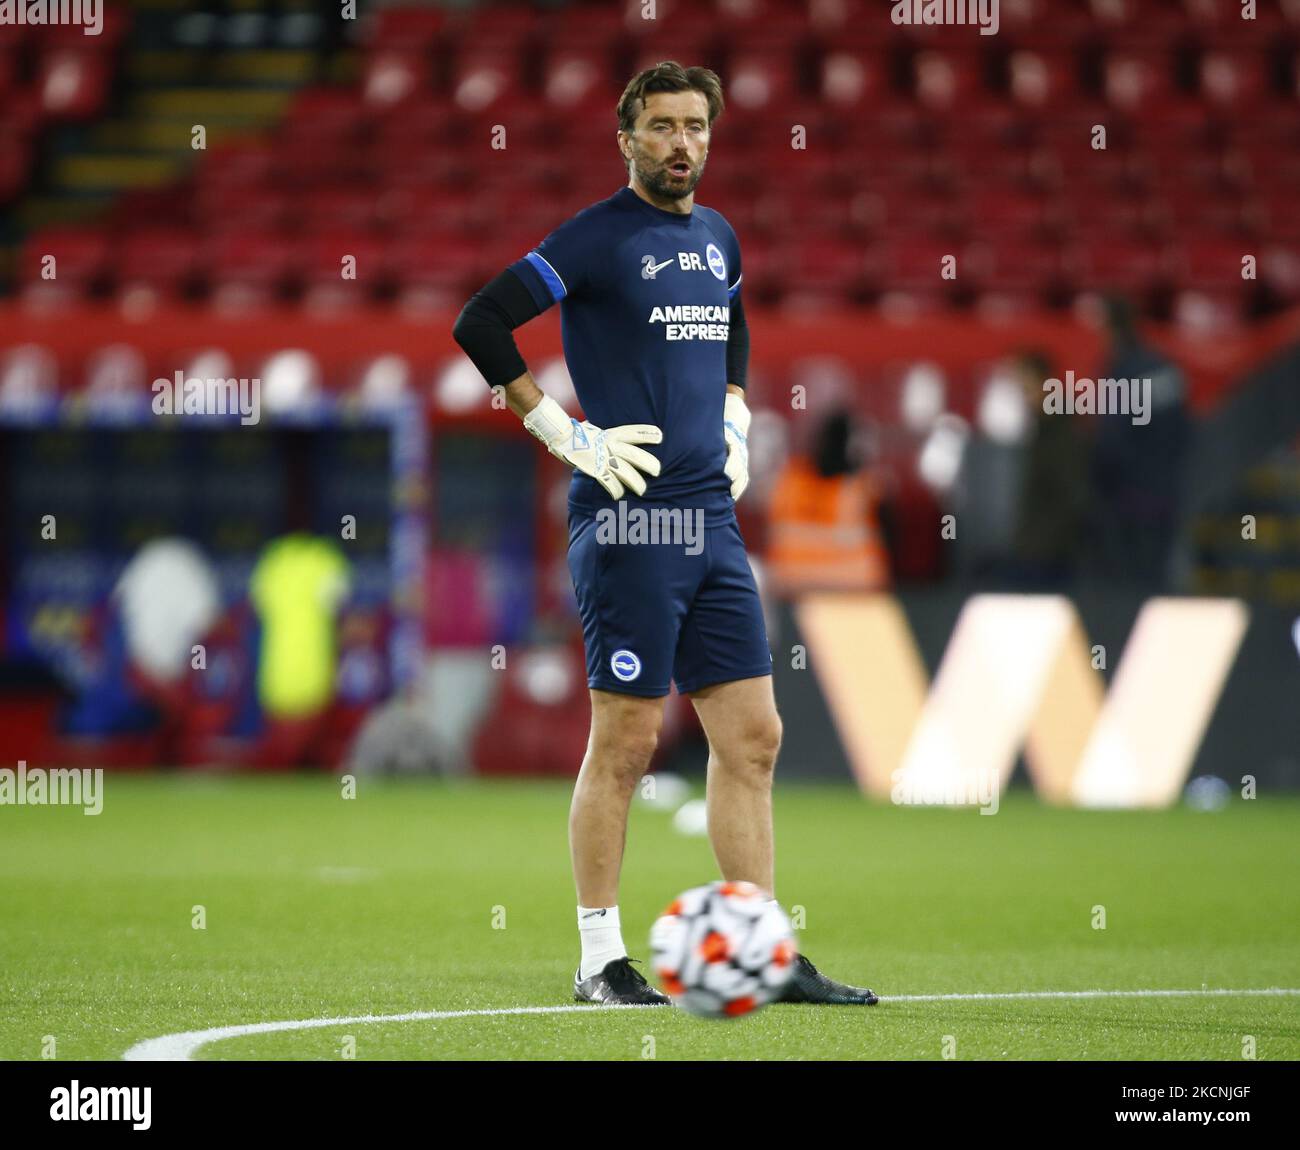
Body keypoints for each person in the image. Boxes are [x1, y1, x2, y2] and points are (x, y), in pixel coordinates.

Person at [453, 61, 877, 1007]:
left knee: (755, 737)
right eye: (662, 128)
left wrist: (733, 407)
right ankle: (599, 960)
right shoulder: (596, 238)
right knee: (628, 741)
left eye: (696, 127)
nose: (682, 143)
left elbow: (729, 317)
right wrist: (557, 428)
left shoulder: (719, 235)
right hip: (630, 520)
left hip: (712, 519)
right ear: (627, 137)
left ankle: (762, 953)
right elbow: (481, 319)